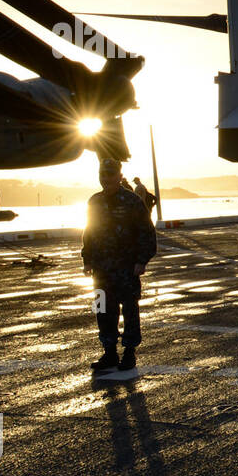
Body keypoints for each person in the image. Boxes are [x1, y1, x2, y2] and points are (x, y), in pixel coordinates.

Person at [82, 158, 157, 373]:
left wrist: (142, 260)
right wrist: (87, 259)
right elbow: (89, 232)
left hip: (126, 268)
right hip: (101, 269)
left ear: (118, 176)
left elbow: (146, 232)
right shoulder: (94, 201)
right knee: (103, 309)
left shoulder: (132, 201)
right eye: (102, 176)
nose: (106, 179)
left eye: (110, 175)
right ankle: (109, 352)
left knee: (129, 310)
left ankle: (129, 353)